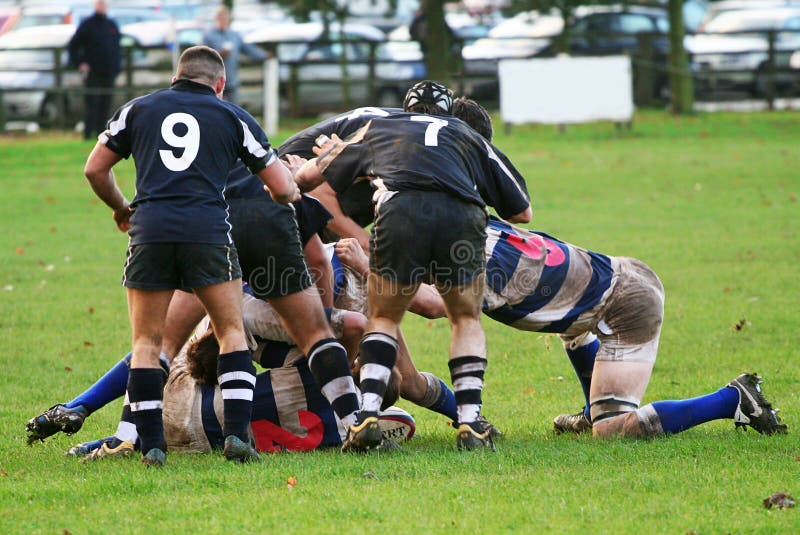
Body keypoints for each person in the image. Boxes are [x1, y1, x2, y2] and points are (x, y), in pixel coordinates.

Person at [415, 97, 787, 439]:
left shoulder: (467, 240)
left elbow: (433, 304)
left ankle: (732, 399)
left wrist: (368, 266)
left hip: (629, 304)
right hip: (616, 279)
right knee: (570, 323)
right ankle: (592, 407)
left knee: (612, 431)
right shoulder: (471, 219)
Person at [82, 45, 299, 466]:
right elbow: (284, 187)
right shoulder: (233, 117)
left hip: (151, 233)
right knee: (231, 331)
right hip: (208, 233)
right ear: (220, 84)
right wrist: (282, 190)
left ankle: (152, 447)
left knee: (147, 342)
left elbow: (94, 168)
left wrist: (121, 207)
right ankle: (237, 437)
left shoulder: (138, 109)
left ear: (174, 77)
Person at [290, 80, 532, 452]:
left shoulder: (382, 126)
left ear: (406, 108)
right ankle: (470, 422)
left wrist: (309, 167)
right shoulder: (467, 136)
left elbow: (306, 179)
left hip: (397, 213)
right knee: (463, 318)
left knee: (385, 318)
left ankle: (366, 414)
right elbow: (522, 212)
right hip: (461, 216)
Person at [67, 0, 121, 140]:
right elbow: (73, 46)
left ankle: (101, 133)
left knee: (105, 104)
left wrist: (117, 67)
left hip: (108, 72)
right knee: (92, 104)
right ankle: (88, 133)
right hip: (93, 73)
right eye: (100, 3)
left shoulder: (111, 25)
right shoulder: (87, 24)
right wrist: (80, 63)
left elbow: (116, 48)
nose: (102, 5)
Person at [203, 5, 268, 105]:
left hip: (232, 81)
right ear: (216, 18)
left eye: (225, 17)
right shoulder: (208, 36)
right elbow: (202, 56)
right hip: (214, 82)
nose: (223, 19)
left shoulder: (234, 35)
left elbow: (249, 49)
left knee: (234, 109)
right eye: (221, 17)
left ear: (229, 19)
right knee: (217, 109)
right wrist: (219, 54)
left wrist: (265, 55)